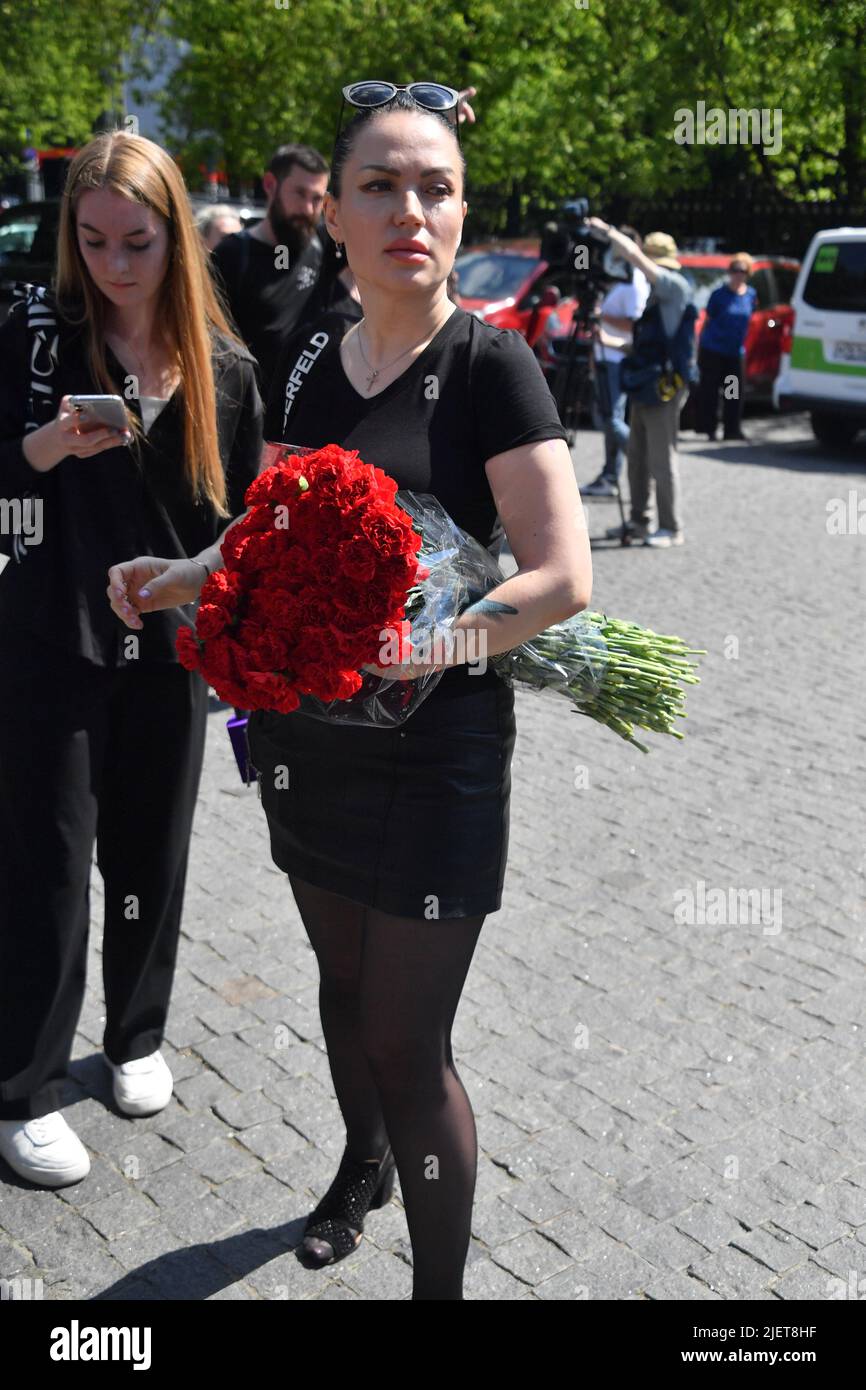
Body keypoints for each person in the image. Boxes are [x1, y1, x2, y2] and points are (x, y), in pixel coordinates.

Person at [107, 81, 592, 1301]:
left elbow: (561, 580)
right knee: (338, 985)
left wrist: (429, 647)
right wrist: (177, 578)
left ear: (462, 209)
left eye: (433, 187)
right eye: (379, 184)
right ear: (336, 207)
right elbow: (271, 533)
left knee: (405, 1039)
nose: (407, 209)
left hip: (439, 753)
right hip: (314, 733)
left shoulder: (495, 366)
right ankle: (357, 1168)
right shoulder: (316, 355)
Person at [0, 131, 263, 1187]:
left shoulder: (222, 364)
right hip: (43, 635)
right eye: (94, 239)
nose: (114, 265)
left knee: (151, 852)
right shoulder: (30, 334)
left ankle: (136, 1034)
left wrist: (196, 579)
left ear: (177, 241)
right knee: (49, 864)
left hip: (167, 648)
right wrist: (42, 446)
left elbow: (240, 525)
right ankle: (23, 1082)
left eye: (139, 243)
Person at [587, 221, 695, 548]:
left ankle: (671, 527)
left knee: (661, 459)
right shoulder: (657, 299)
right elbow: (646, 345)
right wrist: (610, 341)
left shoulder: (675, 288)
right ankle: (638, 521)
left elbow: (634, 255)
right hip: (645, 383)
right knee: (637, 457)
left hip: (665, 386)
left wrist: (607, 232)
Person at [210, 144, 330, 404]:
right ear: (270, 185)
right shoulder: (231, 255)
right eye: (299, 194)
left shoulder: (323, 250)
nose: (309, 209)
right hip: (247, 413)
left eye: (317, 199)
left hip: (304, 414)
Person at [580, 226, 650, 497]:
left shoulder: (634, 282)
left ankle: (642, 460)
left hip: (617, 357)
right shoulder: (621, 278)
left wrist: (601, 318)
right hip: (605, 355)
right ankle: (609, 476)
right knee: (607, 419)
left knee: (611, 420)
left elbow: (634, 323)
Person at [694, 253, 756, 441]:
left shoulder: (751, 294)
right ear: (729, 272)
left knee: (732, 392)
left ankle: (732, 429)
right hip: (713, 349)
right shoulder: (719, 295)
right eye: (735, 270)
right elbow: (708, 321)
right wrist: (699, 347)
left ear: (747, 273)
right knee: (710, 391)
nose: (738, 274)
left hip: (733, 352)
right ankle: (709, 428)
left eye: (742, 271)